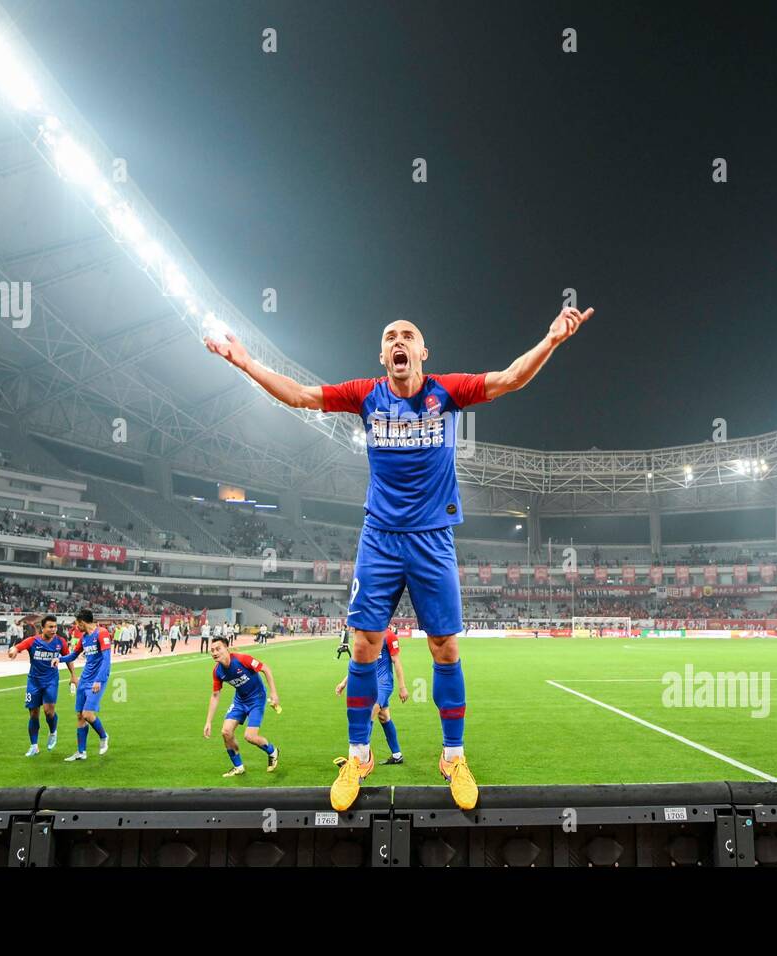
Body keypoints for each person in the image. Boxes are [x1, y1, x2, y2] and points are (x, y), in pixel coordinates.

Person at [206, 307, 594, 811]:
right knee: (365, 646)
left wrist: (551, 340)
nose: (398, 341)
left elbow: (508, 379)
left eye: (408, 335)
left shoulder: (447, 391)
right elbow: (300, 395)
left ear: (422, 353)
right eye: (390, 336)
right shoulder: (366, 395)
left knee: (445, 649)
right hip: (380, 538)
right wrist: (243, 360)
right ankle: (358, 755)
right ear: (383, 355)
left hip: (433, 538)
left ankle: (453, 756)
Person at [203, 635, 279, 777]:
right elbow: (215, 695)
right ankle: (238, 767)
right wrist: (208, 722)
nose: (214, 653)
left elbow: (266, 669)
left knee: (250, 736)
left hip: (257, 699)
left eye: (218, 649)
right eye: (212, 650)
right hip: (240, 700)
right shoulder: (217, 671)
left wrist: (274, 693)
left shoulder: (242, 659)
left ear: (227, 648)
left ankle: (273, 751)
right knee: (226, 732)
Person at [335, 627, 409, 764]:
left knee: (367, 716)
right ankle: (397, 755)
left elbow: (396, 661)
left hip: (384, 684)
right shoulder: (368, 636)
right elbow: (359, 665)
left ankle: (358, 759)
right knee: (384, 717)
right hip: (370, 684)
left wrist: (402, 687)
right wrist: (343, 683)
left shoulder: (389, 635)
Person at [8, 614, 76, 755]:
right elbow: (18, 647)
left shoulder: (60, 642)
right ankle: (34, 746)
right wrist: (13, 650)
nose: (54, 629)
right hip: (33, 681)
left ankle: (53, 732)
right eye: (50, 627)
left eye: (55, 627)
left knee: (48, 712)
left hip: (51, 681)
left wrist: (73, 675)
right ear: (42, 628)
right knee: (33, 713)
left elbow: (69, 658)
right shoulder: (33, 641)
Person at [57, 609, 112, 761]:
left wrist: (99, 680)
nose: (76, 626)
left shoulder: (102, 633)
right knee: (80, 715)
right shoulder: (84, 638)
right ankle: (81, 752)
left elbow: (107, 660)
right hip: (85, 679)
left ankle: (104, 736)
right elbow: (73, 655)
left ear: (82, 622)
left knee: (88, 714)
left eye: (76, 623)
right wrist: (58, 659)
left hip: (96, 680)